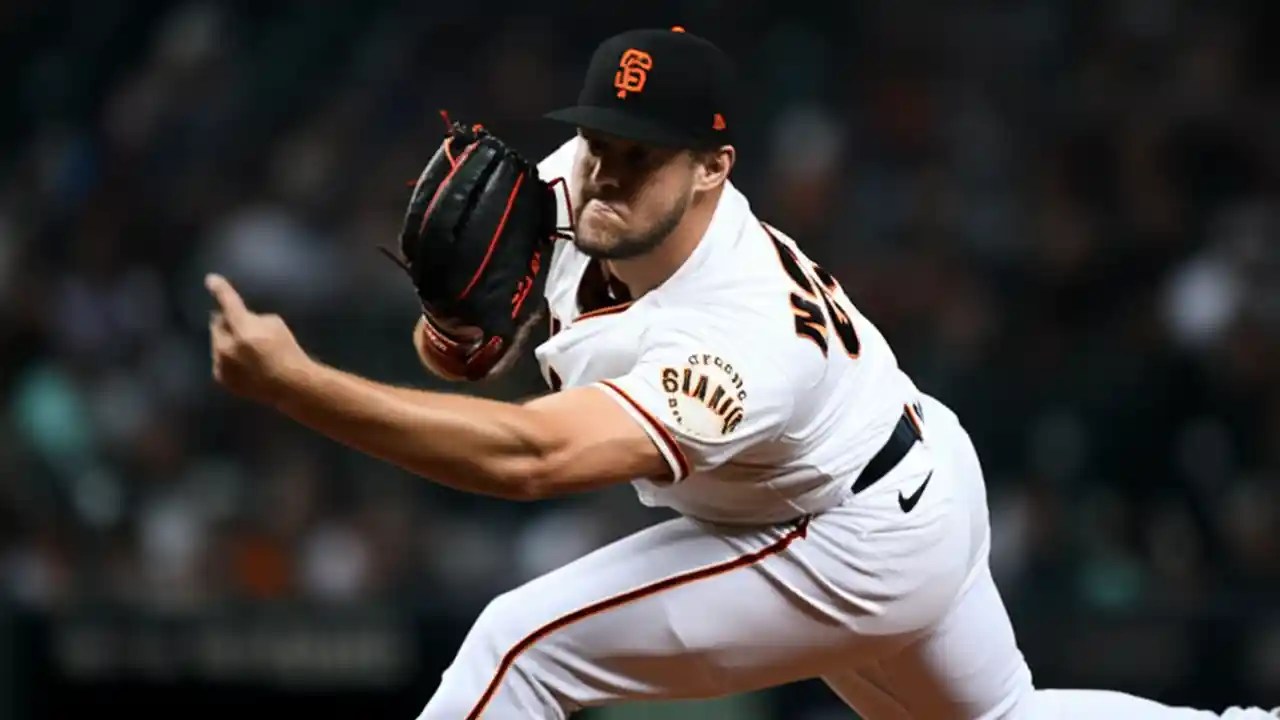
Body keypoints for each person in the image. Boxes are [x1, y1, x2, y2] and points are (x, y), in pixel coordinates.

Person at [205, 26, 1276, 720]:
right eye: (597, 138)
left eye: (642, 152)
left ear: (714, 168)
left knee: (517, 644)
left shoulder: (739, 330)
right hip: (896, 463)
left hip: (848, 535)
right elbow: (466, 346)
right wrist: (449, 324)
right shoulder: (571, 181)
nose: (605, 169)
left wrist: (298, 383)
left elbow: (532, 458)